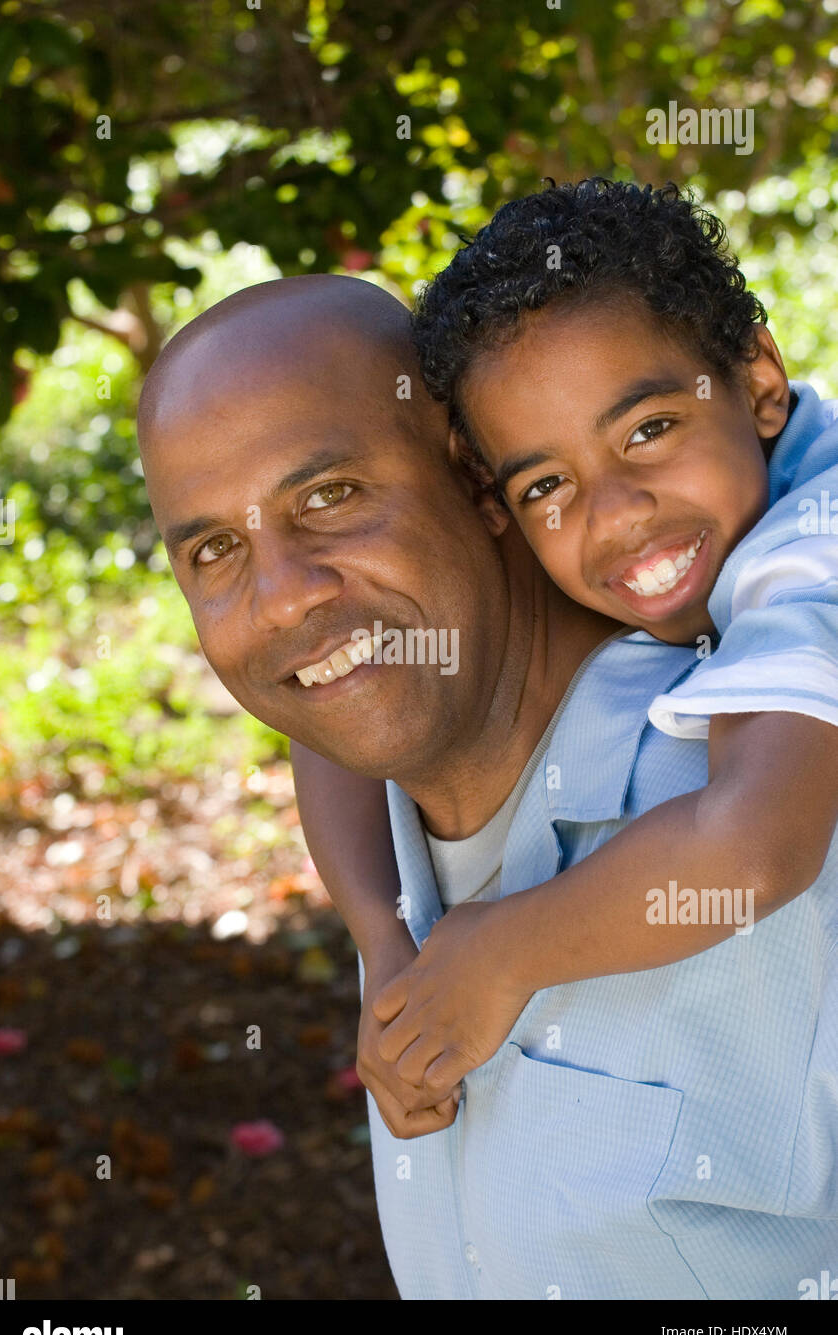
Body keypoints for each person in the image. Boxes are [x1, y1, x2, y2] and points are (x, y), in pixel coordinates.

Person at [137, 271, 838, 1299]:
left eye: (330, 497)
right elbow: (325, 702)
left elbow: (752, 844)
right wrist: (384, 943)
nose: (283, 598)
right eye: (215, 550)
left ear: (475, 479)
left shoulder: (776, 779)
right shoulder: (391, 806)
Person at [293, 180, 838, 1136]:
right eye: (547, 482)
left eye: (650, 430)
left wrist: (500, 952)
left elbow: (753, 849)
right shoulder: (660, 521)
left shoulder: (815, 553)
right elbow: (347, 693)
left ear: (757, 381)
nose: (616, 511)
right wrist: (391, 952)